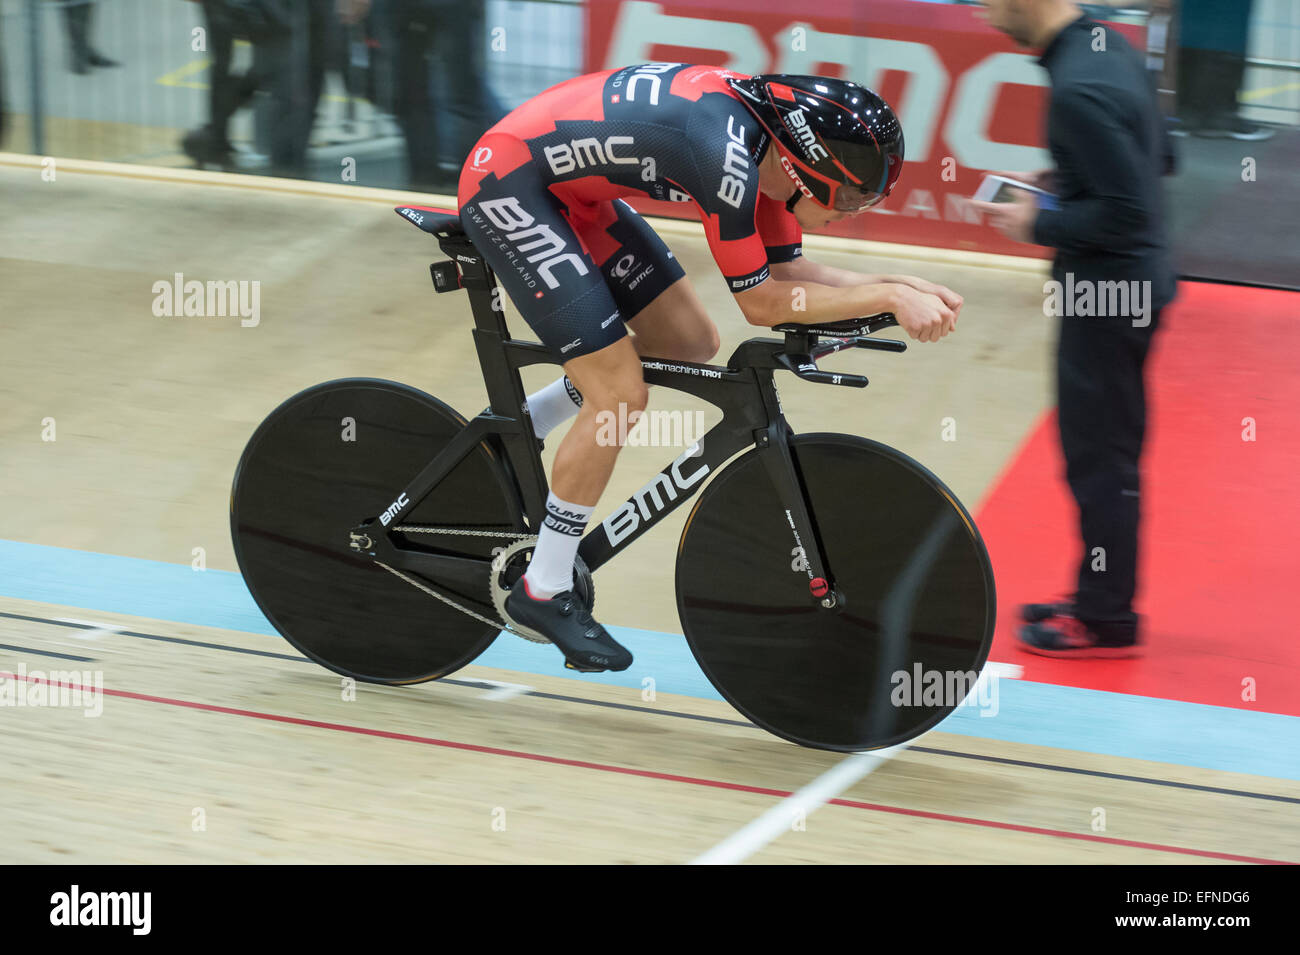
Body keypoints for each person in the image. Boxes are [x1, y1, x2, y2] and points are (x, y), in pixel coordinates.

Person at [457, 64, 963, 672]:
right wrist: (886, 298)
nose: (851, 212)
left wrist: (897, 284)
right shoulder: (724, 158)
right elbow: (762, 304)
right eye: (850, 198)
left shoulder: (767, 146)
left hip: (570, 197)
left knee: (688, 341)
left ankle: (526, 425)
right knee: (618, 398)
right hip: (509, 184)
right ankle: (542, 586)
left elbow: (791, 274)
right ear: (804, 169)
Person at [973, 1, 1177, 658]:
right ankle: (1099, 596)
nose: (980, 10)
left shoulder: (1075, 89)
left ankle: (1105, 616)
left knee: (1099, 460)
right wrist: (1064, 179)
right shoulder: (1109, 50)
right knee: (1107, 453)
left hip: (1107, 295)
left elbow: (1127, 215)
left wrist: (1039, 224)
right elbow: (1163, 154)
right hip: (1136, 288)